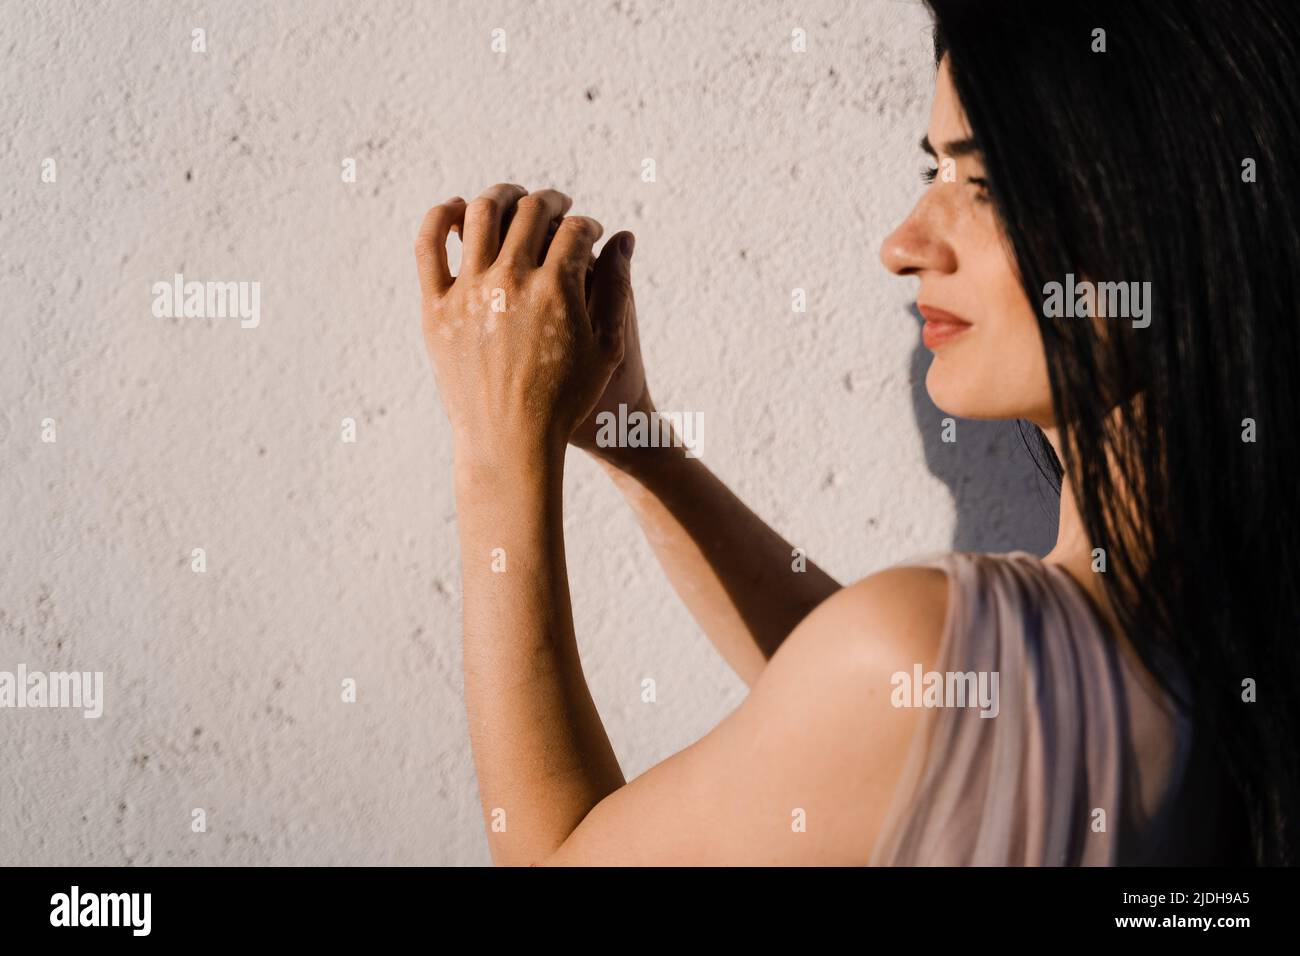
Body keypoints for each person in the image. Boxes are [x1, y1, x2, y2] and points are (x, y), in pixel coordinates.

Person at [412, 0, 1298, 865]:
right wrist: (639, 445)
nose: (904, 245)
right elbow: (886, 718)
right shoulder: (1207, 642)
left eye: (984, 182)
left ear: (1177, 214)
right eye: (931, 176)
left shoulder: (939, 651)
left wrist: (498, 445)